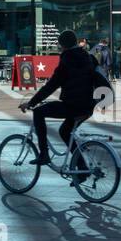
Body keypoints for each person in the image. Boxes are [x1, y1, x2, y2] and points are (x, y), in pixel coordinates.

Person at [20, 29, 110, 174]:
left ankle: (44, 154)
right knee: (65, 131)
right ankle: (82, 170)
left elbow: (51, 85)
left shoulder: (67, 60)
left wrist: (31, 102)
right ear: (75, 42)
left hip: (72, 105)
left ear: (62, 45)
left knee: (38, 112)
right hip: (88, 107)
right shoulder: (88, 56)